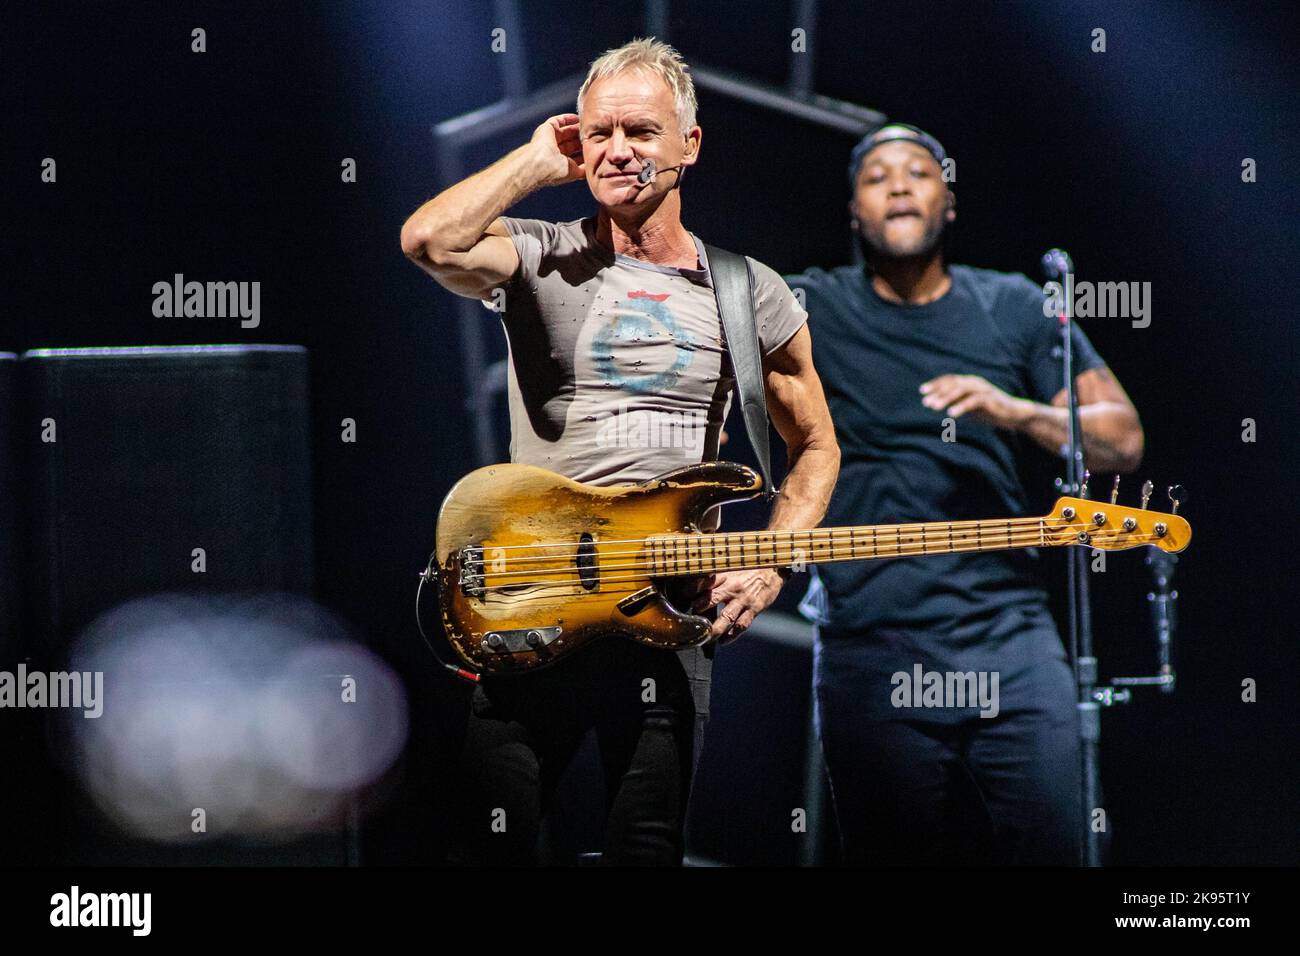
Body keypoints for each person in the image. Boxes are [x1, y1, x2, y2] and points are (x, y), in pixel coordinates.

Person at [401, 38, 839, 865]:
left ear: (690, 144)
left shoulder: (749, 290)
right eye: (598, 133)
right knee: (490, 840)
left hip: (669, 608)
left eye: (640, 131)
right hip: (532, 596)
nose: (617, 151)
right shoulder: (541, 252)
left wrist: (773, 561)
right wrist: (535, 164)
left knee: (645, 844)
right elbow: (429, 241)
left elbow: (814, 443)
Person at [787, 123, 1144, 865]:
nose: (897, 185)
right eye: (876, 175)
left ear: (947, 201)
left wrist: (1015, 409)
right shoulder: (810, 306)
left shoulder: (1012, 305)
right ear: (854, 211)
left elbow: (1122, 438)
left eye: (917, 171)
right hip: (869, 641)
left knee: (1058, 847)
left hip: (1008, 636)